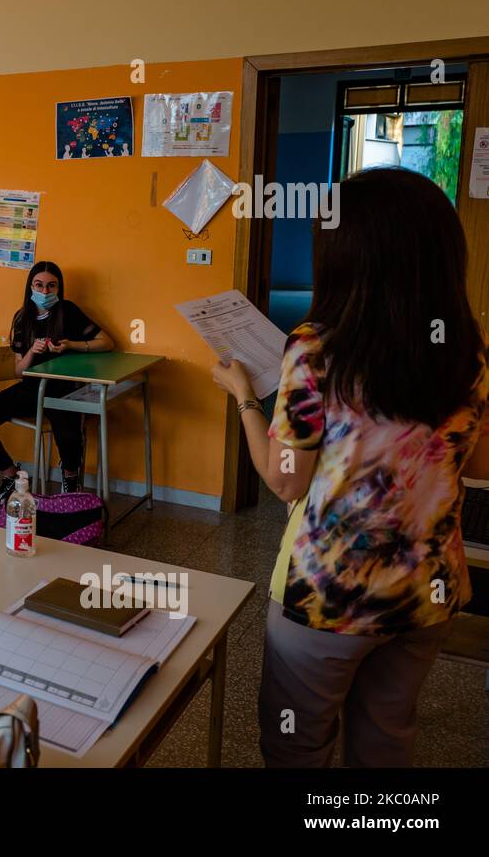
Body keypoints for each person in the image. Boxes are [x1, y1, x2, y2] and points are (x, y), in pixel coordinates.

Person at [211, 167, 489, 767]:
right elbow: (479, 457)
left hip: (330, 599)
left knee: (296, 744)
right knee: (386, 737)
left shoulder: (316, 351)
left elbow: (285, 476)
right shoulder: (468, 350)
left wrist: (245, 397)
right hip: (426, 593)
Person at [0, 260, 113, 502]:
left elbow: (107, 342)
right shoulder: (22, 317)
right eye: (39, 285)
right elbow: (19, 370)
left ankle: (69, 477)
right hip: (32, 388)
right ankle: (12, 475)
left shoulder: (68, 311)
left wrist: (72, 345)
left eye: (51, 286)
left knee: (68, 435)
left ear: (58, 288)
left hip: (64, 389)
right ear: (30, 287)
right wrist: (32, 351)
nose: (45, 292)